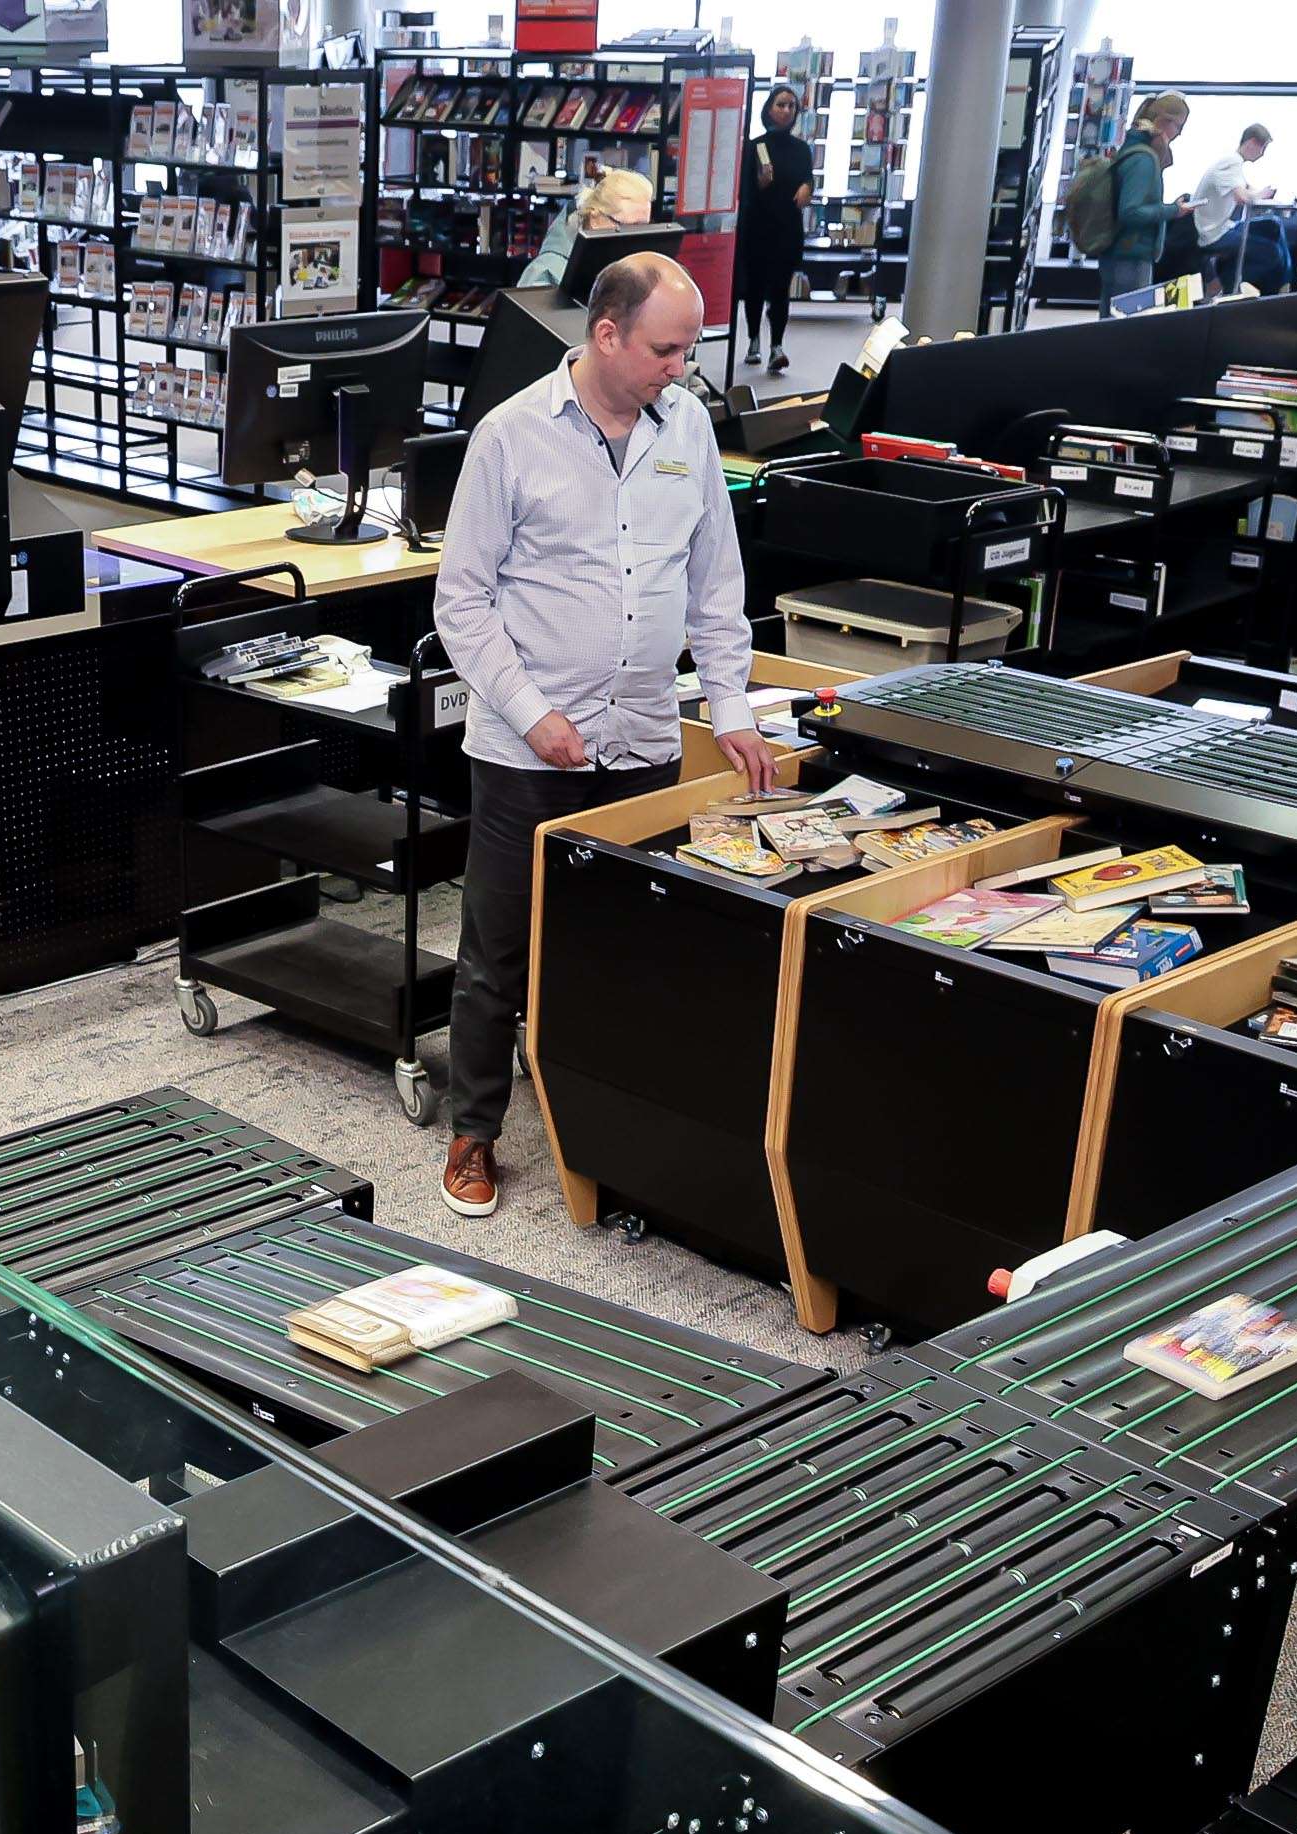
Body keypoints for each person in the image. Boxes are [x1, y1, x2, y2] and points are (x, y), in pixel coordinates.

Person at [429, 255, 774, 1222]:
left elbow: (715, 590)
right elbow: (461, 602)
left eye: (691, 349)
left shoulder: (689, 428)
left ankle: (615, 1136)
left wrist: (733, 713)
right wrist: (533, 713)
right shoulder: (511, 437)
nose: (683, 367)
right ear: (607, 335)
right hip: (526, 747)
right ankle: (473, 1135)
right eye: (668, 349)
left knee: (628, 951)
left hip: (642, 741)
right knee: (500, 952)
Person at [1091, 93, 1193, 309]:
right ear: (1164, 122)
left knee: (1112, 322)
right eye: (1179, 126)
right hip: (1131, 254)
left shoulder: (1134, 151)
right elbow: (1130, 211)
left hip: (1122, 251)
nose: (1180, 134)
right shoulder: (1144, 160)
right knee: (1127, 325)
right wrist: (1173, 210)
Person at [741, 86, 816, 374]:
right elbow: (745, 191)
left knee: (781, 289)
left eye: (792, 107)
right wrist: (760, 183)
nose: (786, 111)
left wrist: (806, 187)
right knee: (755, 287)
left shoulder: (801, 149)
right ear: (769, 108)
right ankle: (753, 340)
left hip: (787, 228)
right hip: (758, 227)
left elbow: (808, 179)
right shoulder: (754, 147)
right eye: (781, 105)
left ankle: (777, 346)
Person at [520, 162, 654, 291]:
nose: (637, 242)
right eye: (628, 228)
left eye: (644, 229)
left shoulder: (617, 267)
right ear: (595, 218)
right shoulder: (546, 274)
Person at [1190, 123, 1273, 295]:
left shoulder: (1234, 164)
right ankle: (1229, 284)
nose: (1262, 154)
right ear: (1251, 143)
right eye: (1262, 148)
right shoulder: (1231, 163)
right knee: (1271, 252)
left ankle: (1280, 286)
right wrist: (1261, 195)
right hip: (1213, 234)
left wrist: (1261, 193)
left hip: (1221, 227)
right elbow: (1242, 197)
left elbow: (1246, 190)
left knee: (1274, 225)